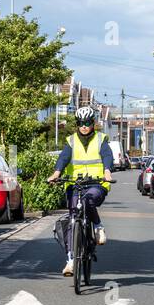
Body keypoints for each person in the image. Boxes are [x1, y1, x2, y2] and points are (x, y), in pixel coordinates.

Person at [47, 106, 114, 276]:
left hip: (96, 183)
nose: (84, 126)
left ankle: (98, 227)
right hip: (75, 184)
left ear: (93, 123)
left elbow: (107, 156)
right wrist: (56, 174)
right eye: (80, 123)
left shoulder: (101, 139)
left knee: (89, 200)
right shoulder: (71, 141)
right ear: (77, 124)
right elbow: (63, 158)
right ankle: (70, 260)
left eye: (87, 123)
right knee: (71, 218)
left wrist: (107, 171)